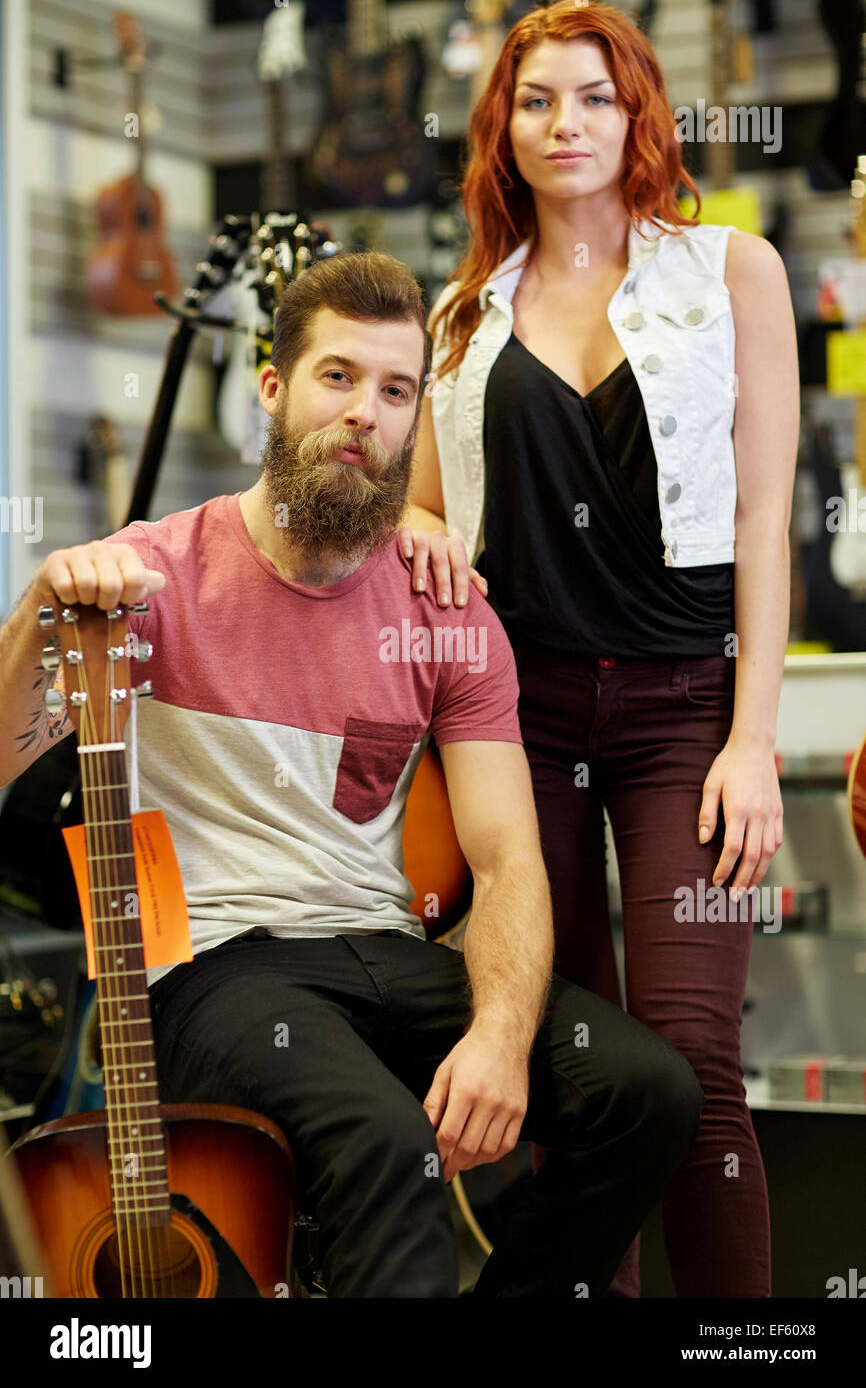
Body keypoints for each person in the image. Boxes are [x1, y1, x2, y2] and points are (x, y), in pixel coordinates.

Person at [0, 251, 703, 1299]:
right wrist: (37, 611)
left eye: (393, 389)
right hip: (211, 967)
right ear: (273, 391)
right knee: (388, 1142)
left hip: (383, 948)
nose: (363, 413)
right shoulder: (149, 577)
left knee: (646, 1091)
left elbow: (507, 861)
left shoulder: (443, 608)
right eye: (337, 378)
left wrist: (501, 1040)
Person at [402, 1, 799, 1298]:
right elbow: (414, 502)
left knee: (689, 1055)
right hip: (518, 724)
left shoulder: (730, 271)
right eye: (534, 101)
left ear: (636, 115)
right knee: (580, 1067)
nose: (562, 123)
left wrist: (751, 737)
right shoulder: (463, 314)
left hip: (685, 711)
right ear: (500, 128)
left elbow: (758, 514)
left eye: (590, 96)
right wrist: (428, 538)